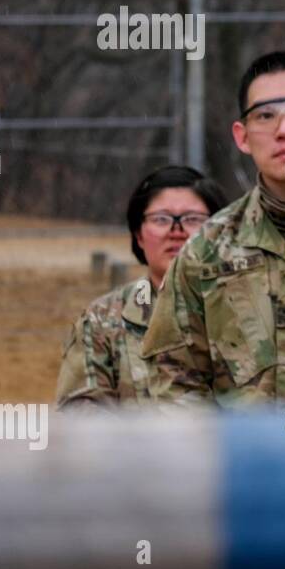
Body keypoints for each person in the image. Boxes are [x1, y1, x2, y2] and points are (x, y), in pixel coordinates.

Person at [141, 51, 285, 407]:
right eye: (265, 115)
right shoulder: (205, 253)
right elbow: (173, 382)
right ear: (241, 136)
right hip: (243, 460)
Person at [56, 166, 226, 409]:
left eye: (192, 219)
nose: (176, 232)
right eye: (161, 219)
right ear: (138, 234)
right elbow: (80, 419)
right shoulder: (101, 321)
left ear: (218, 231)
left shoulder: (248, 310)